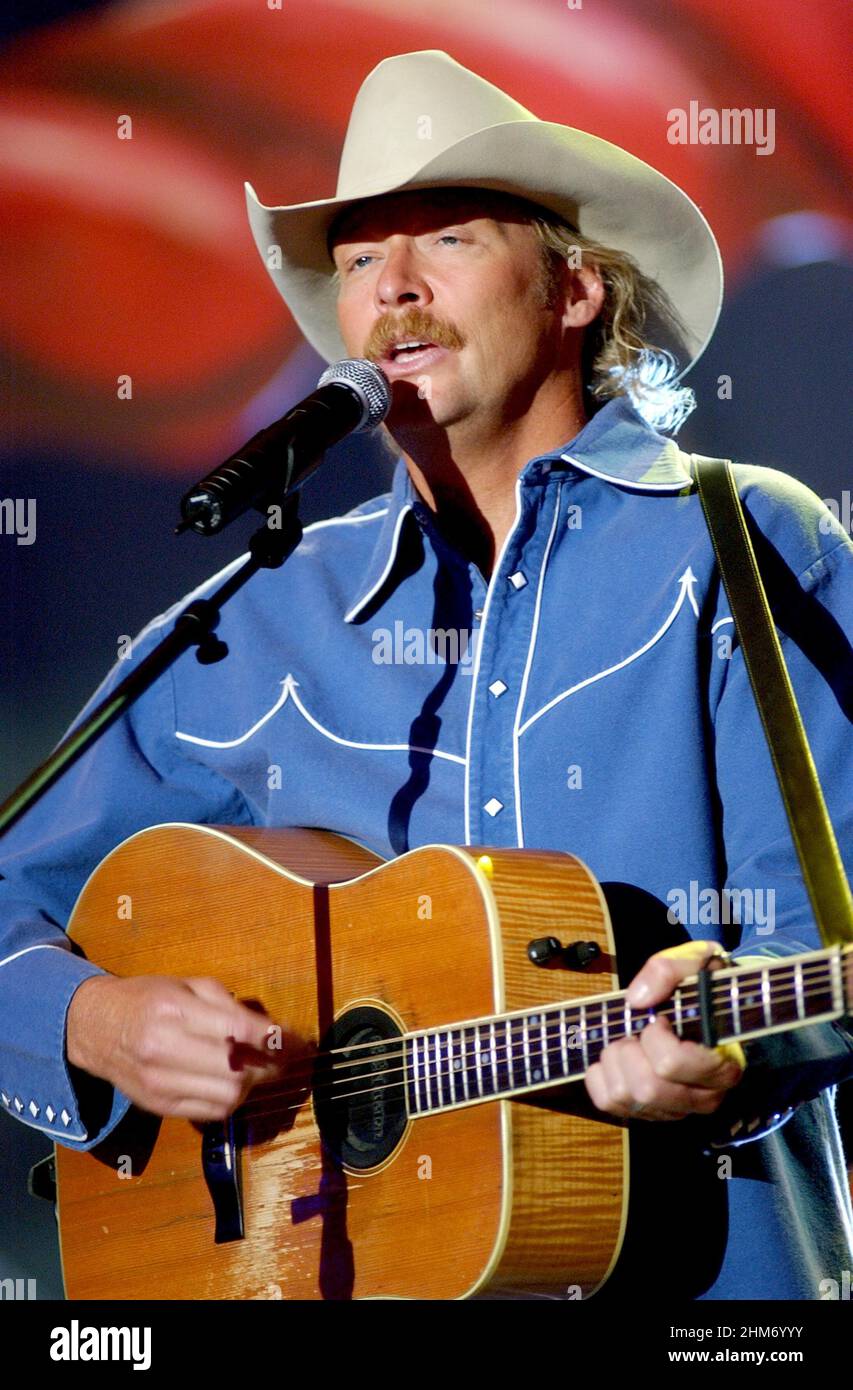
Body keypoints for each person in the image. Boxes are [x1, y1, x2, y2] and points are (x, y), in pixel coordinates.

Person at [1, 49, 851, 1301]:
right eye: (353, 263)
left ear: (574, 288)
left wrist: (736, 1030)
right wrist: (101, 1026)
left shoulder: (741, 545)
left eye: (444, 238)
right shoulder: (255, 616)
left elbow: (828, 944)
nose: (390, 288)